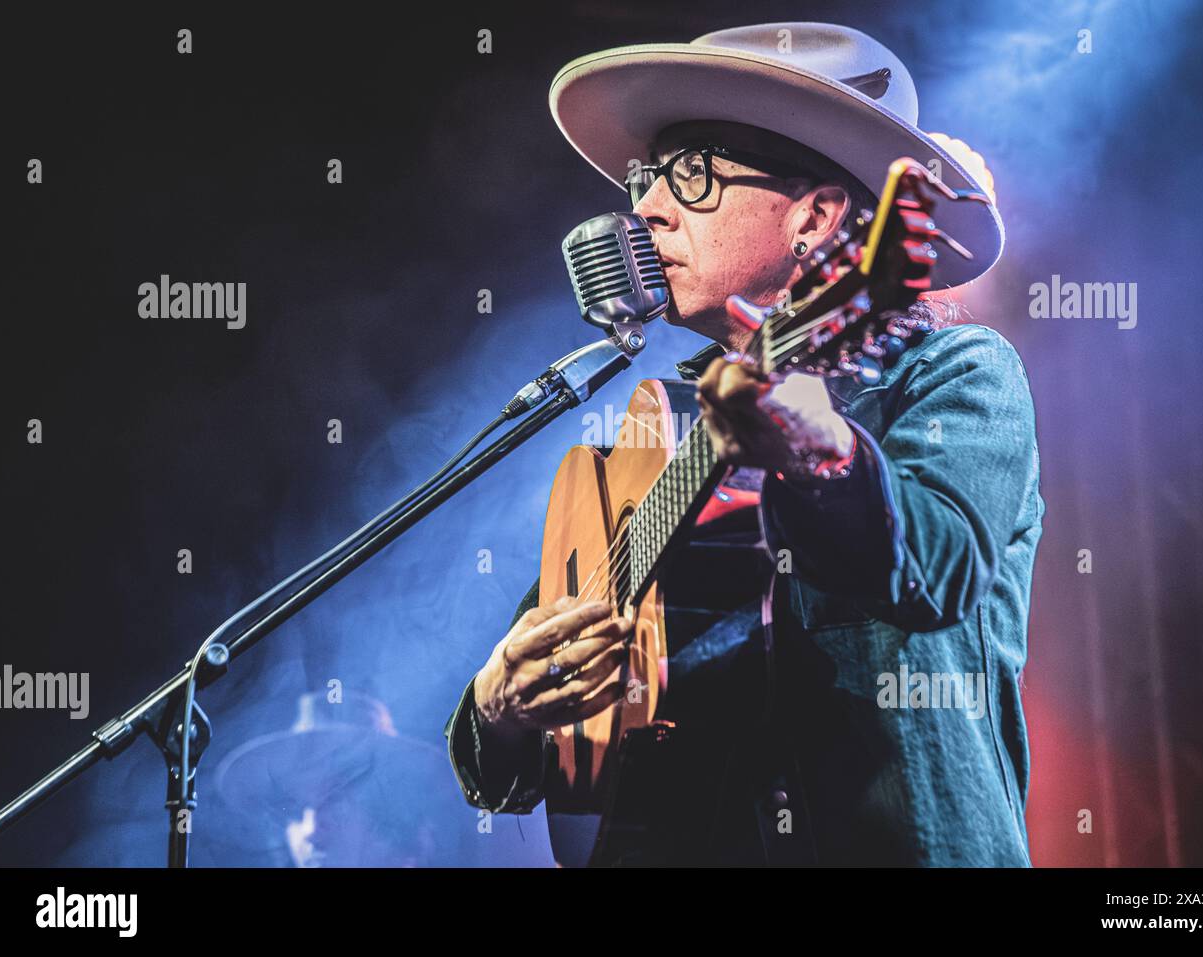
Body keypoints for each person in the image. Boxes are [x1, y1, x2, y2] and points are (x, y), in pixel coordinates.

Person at [445, 22, 1043, 866]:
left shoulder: (953, 372)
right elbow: (506, 752)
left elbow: (936, 570)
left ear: (817, 217)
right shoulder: (657, 438)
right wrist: (498, 705)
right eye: (646, 178)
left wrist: (819, 448)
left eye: (691, 174)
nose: (645, 206)